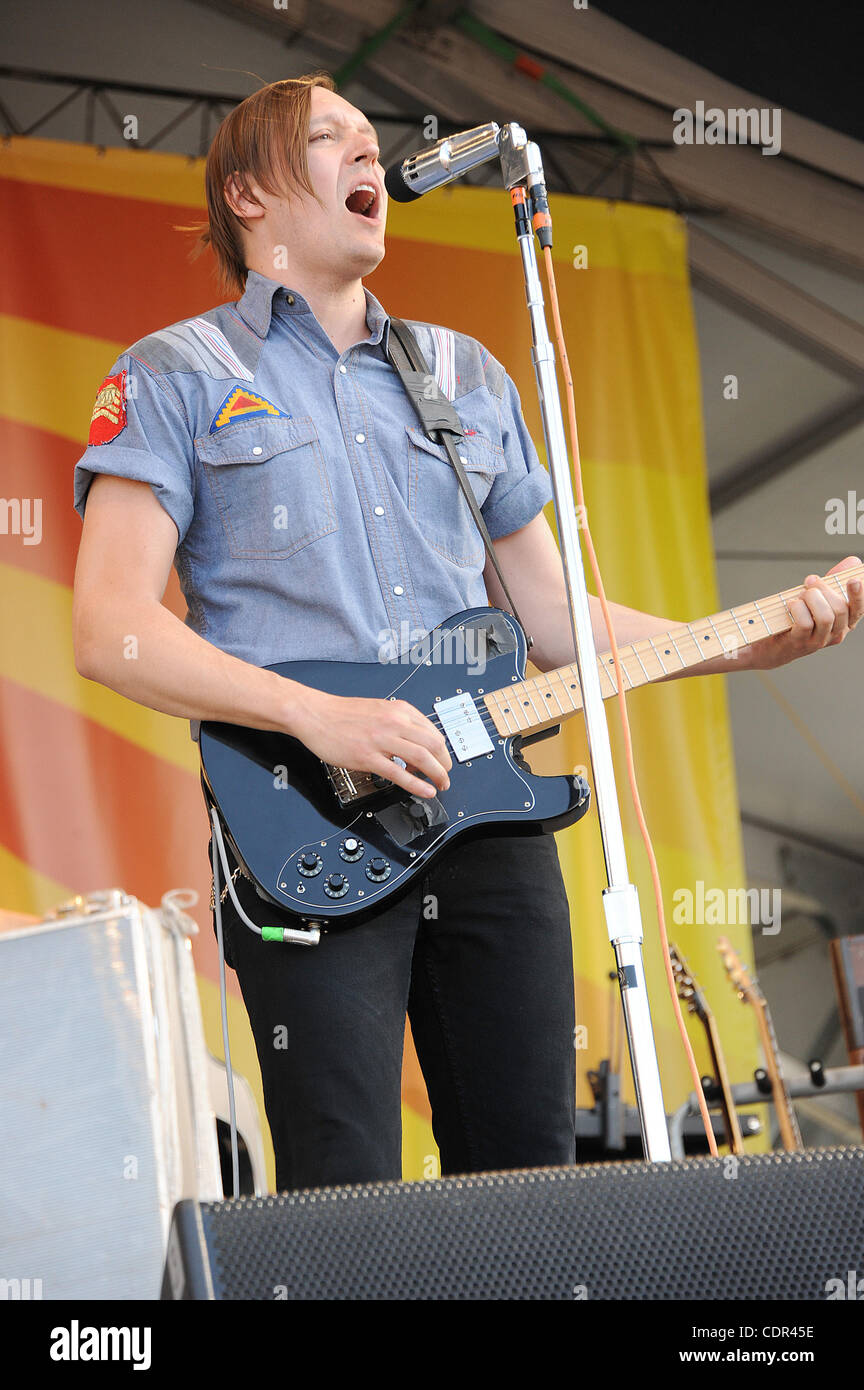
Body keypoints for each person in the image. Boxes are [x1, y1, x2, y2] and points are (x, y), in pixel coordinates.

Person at [72, 73, 862, 1192]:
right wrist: (318, 713)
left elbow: (551, 620)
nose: (370, 158)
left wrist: (743, 639)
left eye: (372, 139)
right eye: (331, 138)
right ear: (246, 192)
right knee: (345, 1182)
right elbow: (109, 629)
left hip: (488, 815)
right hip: (304, 819)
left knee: (530, 1176)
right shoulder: (174, 374)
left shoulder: (463, 374)